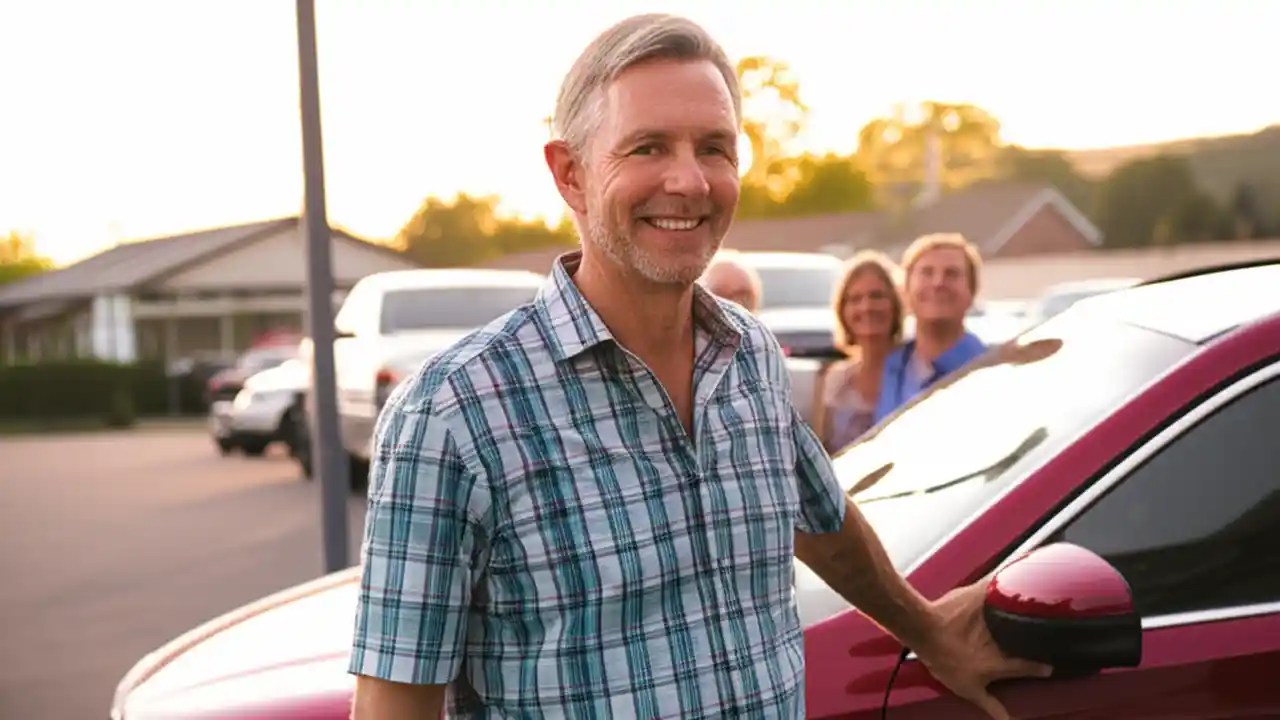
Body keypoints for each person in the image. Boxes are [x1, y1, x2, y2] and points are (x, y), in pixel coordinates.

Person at [348, 14, 1049, 720]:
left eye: (714, 148)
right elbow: (393, 707)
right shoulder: (453, 414)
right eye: (647, 147)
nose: (688, 181)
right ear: (571, 175)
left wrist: (928, 629)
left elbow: (821, 521)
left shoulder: (749, 357)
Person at [874, 233, 988, 423]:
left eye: (951, 274)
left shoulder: (989, 371)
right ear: (906, 290)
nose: (938, 283)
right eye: (927, 272)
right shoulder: (890, 366)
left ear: (972, 292)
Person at [814, 250, 903, 452]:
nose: (866, 307)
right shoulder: (835, 379)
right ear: (842, 311)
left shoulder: (916, 368)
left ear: (895, 305)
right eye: (855, 299)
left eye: (877, 296)